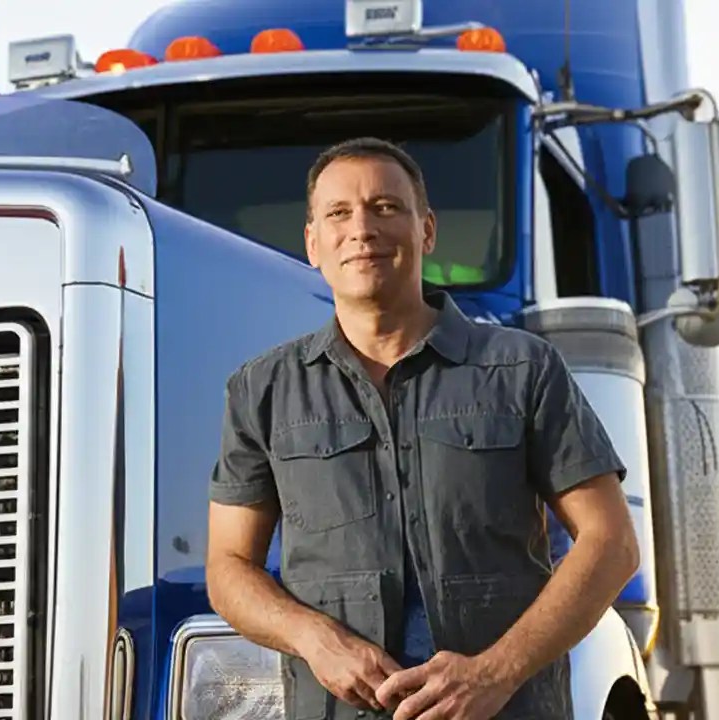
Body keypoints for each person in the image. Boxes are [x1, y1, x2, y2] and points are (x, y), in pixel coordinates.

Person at [206, 137, 639, 720]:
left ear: (427, 230)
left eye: (385, 207)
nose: (362, 229)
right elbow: (229, 566)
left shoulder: (522, 368)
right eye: (338, 213)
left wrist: (495, 673)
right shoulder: (261, 391)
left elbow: (611, 543)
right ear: (312, 243)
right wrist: (314, 638)